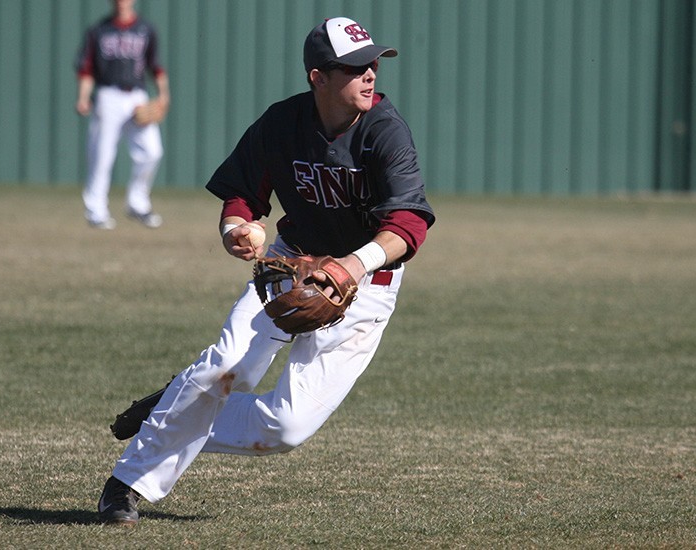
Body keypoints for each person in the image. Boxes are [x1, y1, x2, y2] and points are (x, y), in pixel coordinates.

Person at [97, 16, 435, 525]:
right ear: (318, 77)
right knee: (224, 369)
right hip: (289, 264)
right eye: (354, 67)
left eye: (373, 63)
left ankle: (173, 404)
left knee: (285, 428)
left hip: (367, 283)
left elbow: (408, 224)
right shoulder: (282, 123)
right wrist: (234, 228)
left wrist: (352, 264)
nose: (370, 74)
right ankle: (128, 482)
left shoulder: (386, 132)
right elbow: (242, 195)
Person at [75, 0, 169, 229]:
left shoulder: (145, 29)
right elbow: (86, 69)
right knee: (101, 155)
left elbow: (155, 66)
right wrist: (83, 97)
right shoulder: (99, 31)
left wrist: (163, 95)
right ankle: (96, 210)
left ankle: (137, 202)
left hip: (136, 95)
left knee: (152, 151)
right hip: (108, 94)